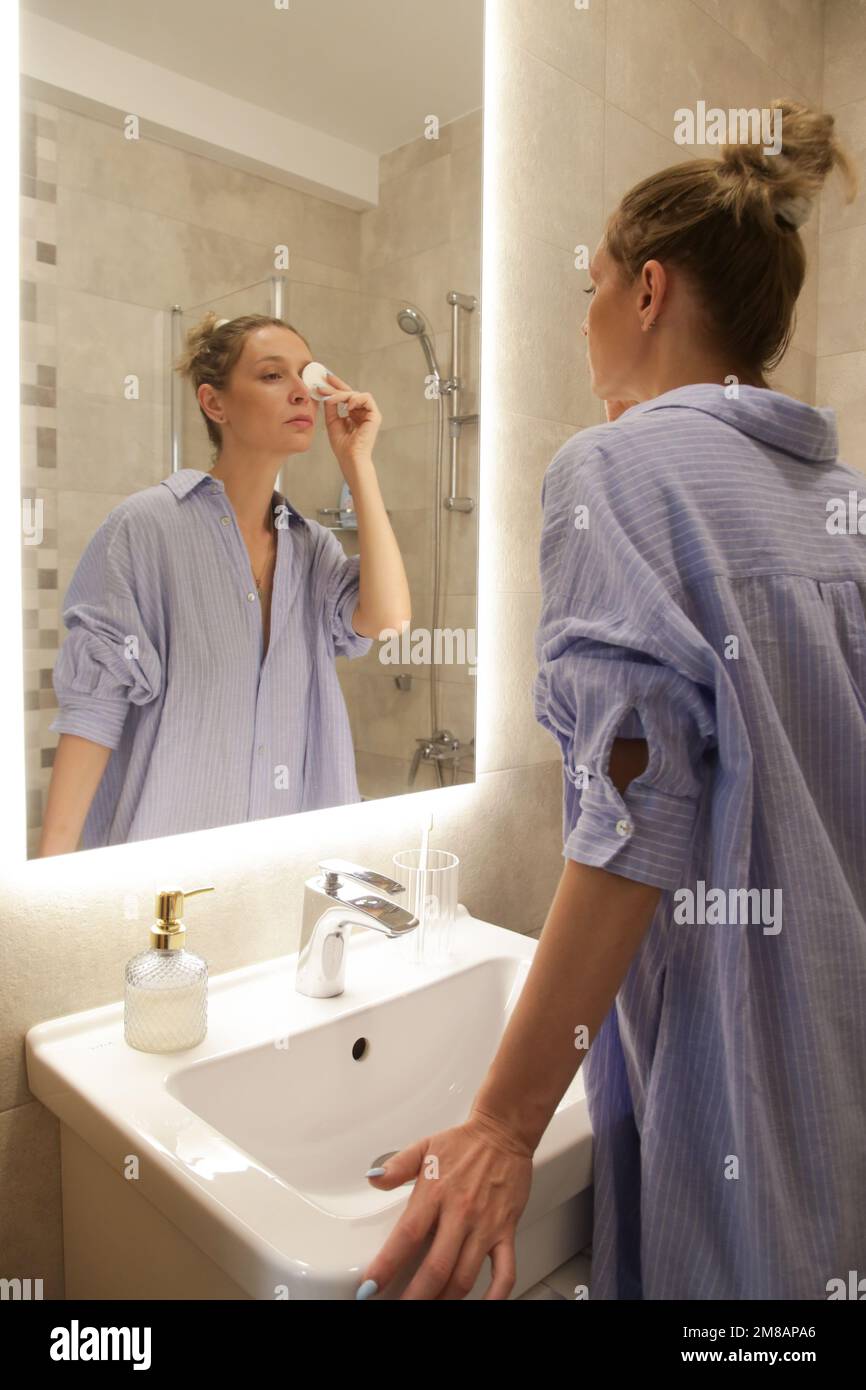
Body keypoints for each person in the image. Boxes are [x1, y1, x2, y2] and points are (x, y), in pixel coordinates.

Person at [354, 98, 866, 1300]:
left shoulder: (618, 468)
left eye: (589, 281)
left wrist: (499, 1122)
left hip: (733, 1087)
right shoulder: (843, 502)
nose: (579, 316)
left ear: (645, 291)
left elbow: (638, 822)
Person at [39, 314, 410, 854]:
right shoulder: (145, 528)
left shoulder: (312, 548)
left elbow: (390, 620)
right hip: (160, 873)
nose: (302, 393)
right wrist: (52, 880)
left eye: (306, 375)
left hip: (279, 870)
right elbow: (94, 710)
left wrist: (358, 463)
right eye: (271, 376)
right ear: (215, 404)